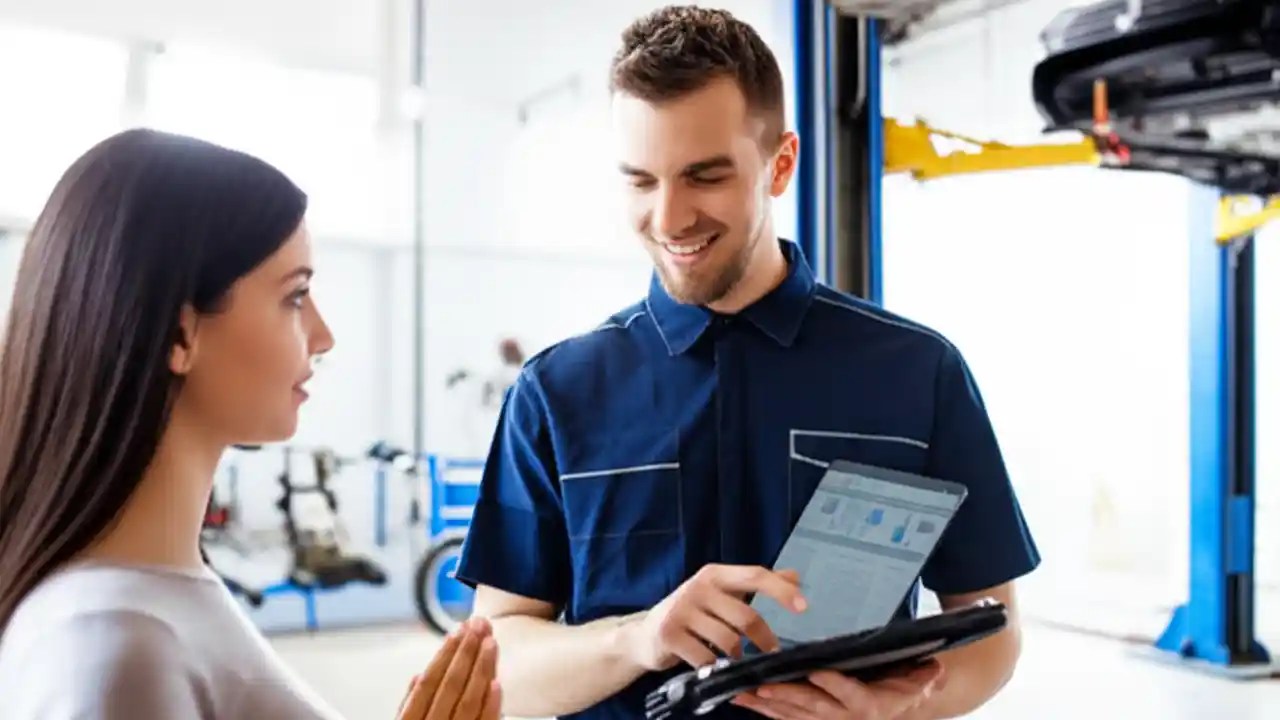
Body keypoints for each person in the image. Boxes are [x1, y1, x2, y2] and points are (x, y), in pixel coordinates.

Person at [456, 6, 1040, 720]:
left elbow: (993, 630)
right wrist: (639, 639)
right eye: (641, 181)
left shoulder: (919, 374)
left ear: (781, 164)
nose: (669, 218)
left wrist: (895, 710)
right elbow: (499, 664)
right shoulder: (556, 394)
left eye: (704, 177)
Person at [0, 128, 501, 720]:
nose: (323, 335)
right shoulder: (114, 647)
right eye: (295, 296)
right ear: (179, 335)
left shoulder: (153, 601)